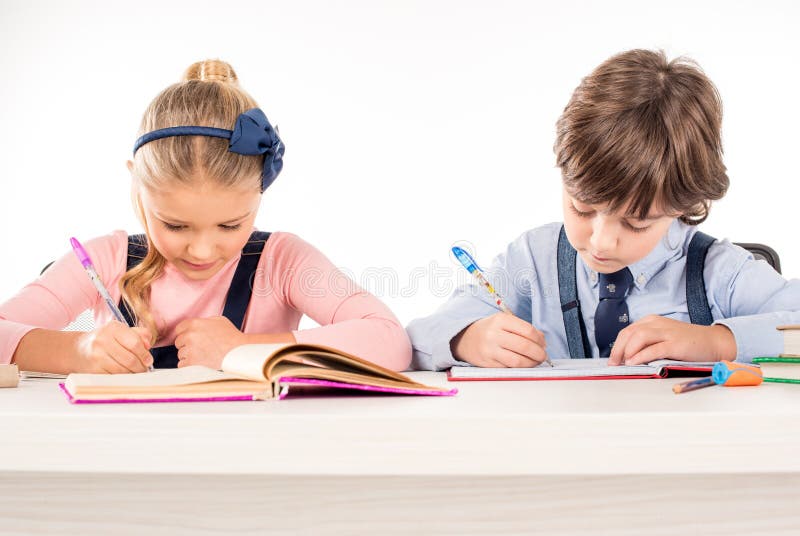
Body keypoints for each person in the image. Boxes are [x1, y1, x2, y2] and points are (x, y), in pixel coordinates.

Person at [1, 59, 411, 374]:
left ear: (259, 195)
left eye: (230, 225)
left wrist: (244, 349)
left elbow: (389, 341)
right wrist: (77, 350)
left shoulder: (282, 261)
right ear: (137, 185)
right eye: (175, 225)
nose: (201, 250)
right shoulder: (105, 260)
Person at [407, 49, 800, 371]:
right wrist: (466, 340)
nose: (601, 242)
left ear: (684, 205)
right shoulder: (532, 260)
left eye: (636, 223)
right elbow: (418, 338)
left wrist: (717, 341)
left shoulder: (720, 272)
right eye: (581, 209)